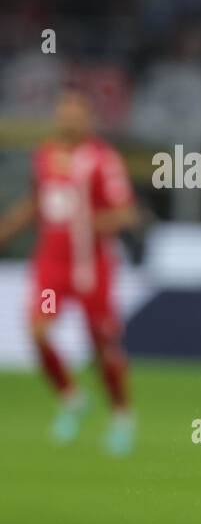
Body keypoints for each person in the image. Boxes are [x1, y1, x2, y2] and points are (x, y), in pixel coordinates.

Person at [0, 87, 139, 455]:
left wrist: (88, 221)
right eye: (64, 110)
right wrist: (7, 227)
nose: (68, 117)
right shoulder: (45, 156)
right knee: (38, 328)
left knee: (102, 345)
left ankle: (122, 415)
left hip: (91, 269)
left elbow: (126, 213)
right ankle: (71, 396)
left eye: (76, 111)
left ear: (89, 118)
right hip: (53, 268)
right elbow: (37, 202)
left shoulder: (103, 160)